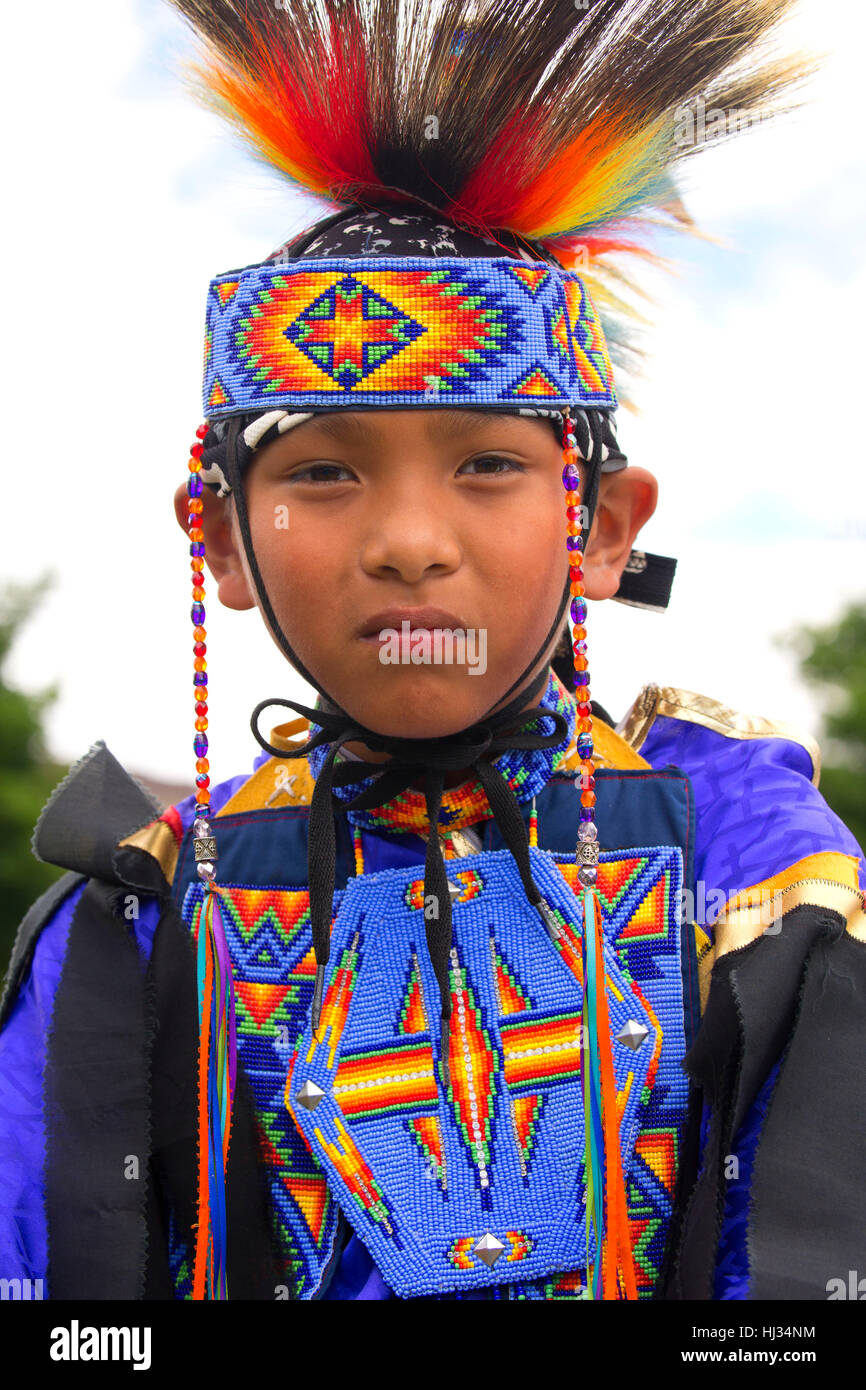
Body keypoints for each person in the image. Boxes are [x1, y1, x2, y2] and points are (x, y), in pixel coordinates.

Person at [1, 0, 864, 1302]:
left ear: (599, 532)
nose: (408, 541)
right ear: (222, 542)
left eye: (487, 464)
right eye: (325, 468)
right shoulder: (139, 915)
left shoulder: (753, 866)